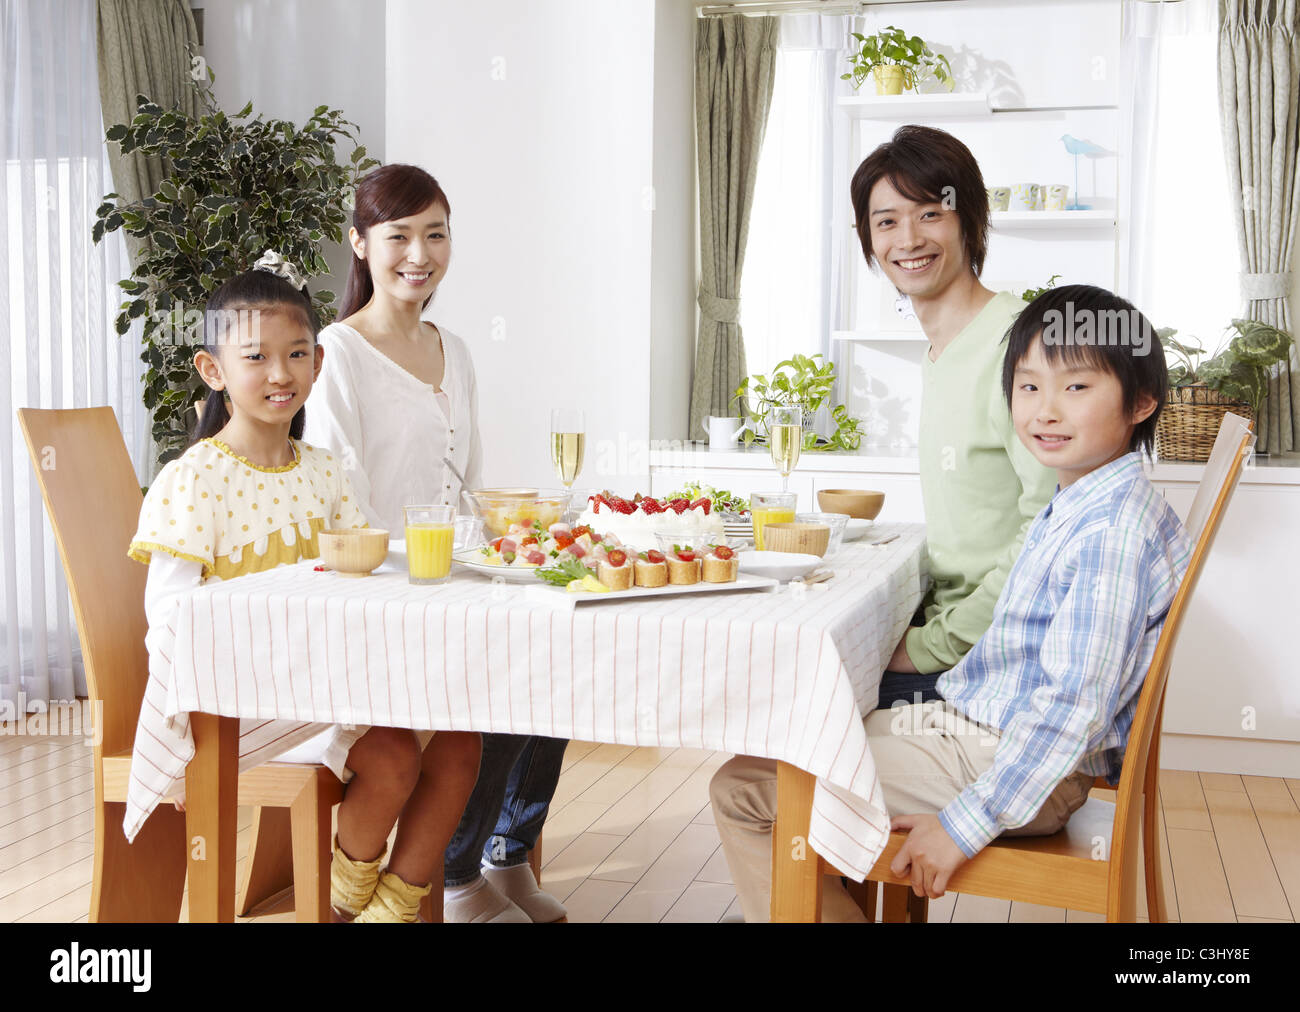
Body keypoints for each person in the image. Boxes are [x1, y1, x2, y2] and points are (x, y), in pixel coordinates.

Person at [710, 124, 1056, 921]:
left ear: (968, 219)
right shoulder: (946, 348)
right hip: (978, 673)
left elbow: (1042, 539)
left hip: (997, 691)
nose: (908, 238)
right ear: (867, 239)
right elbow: (988, 529)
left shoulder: (1015, 346)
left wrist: (924, 644)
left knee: (749, 783)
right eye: (885, 220)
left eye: (928, 213)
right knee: (811, 699)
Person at [126, 259, 482, 923]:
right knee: (395, 754)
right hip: (244, 707)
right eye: (255, 357)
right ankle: (342, 906)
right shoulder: (194, 479)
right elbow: (168, 616)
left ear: (319, 363)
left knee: (463, 741)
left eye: (296, 355)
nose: (280, 374)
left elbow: (363, 576)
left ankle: (385, 907)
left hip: (332, 687)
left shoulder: (327, 473)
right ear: (214, 371)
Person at [302, 164, 569, 923]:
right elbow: (340, 506)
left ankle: (485, 863)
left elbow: (469, 486)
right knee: (464, 723)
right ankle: (414, 890)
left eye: (436, 234)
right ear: (360, 244)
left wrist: (508, 549)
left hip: (448, 593)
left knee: (538, 682)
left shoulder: (454, 347)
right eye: (398, 236)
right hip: (374, 609)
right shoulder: (338, 355)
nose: (419, 252)